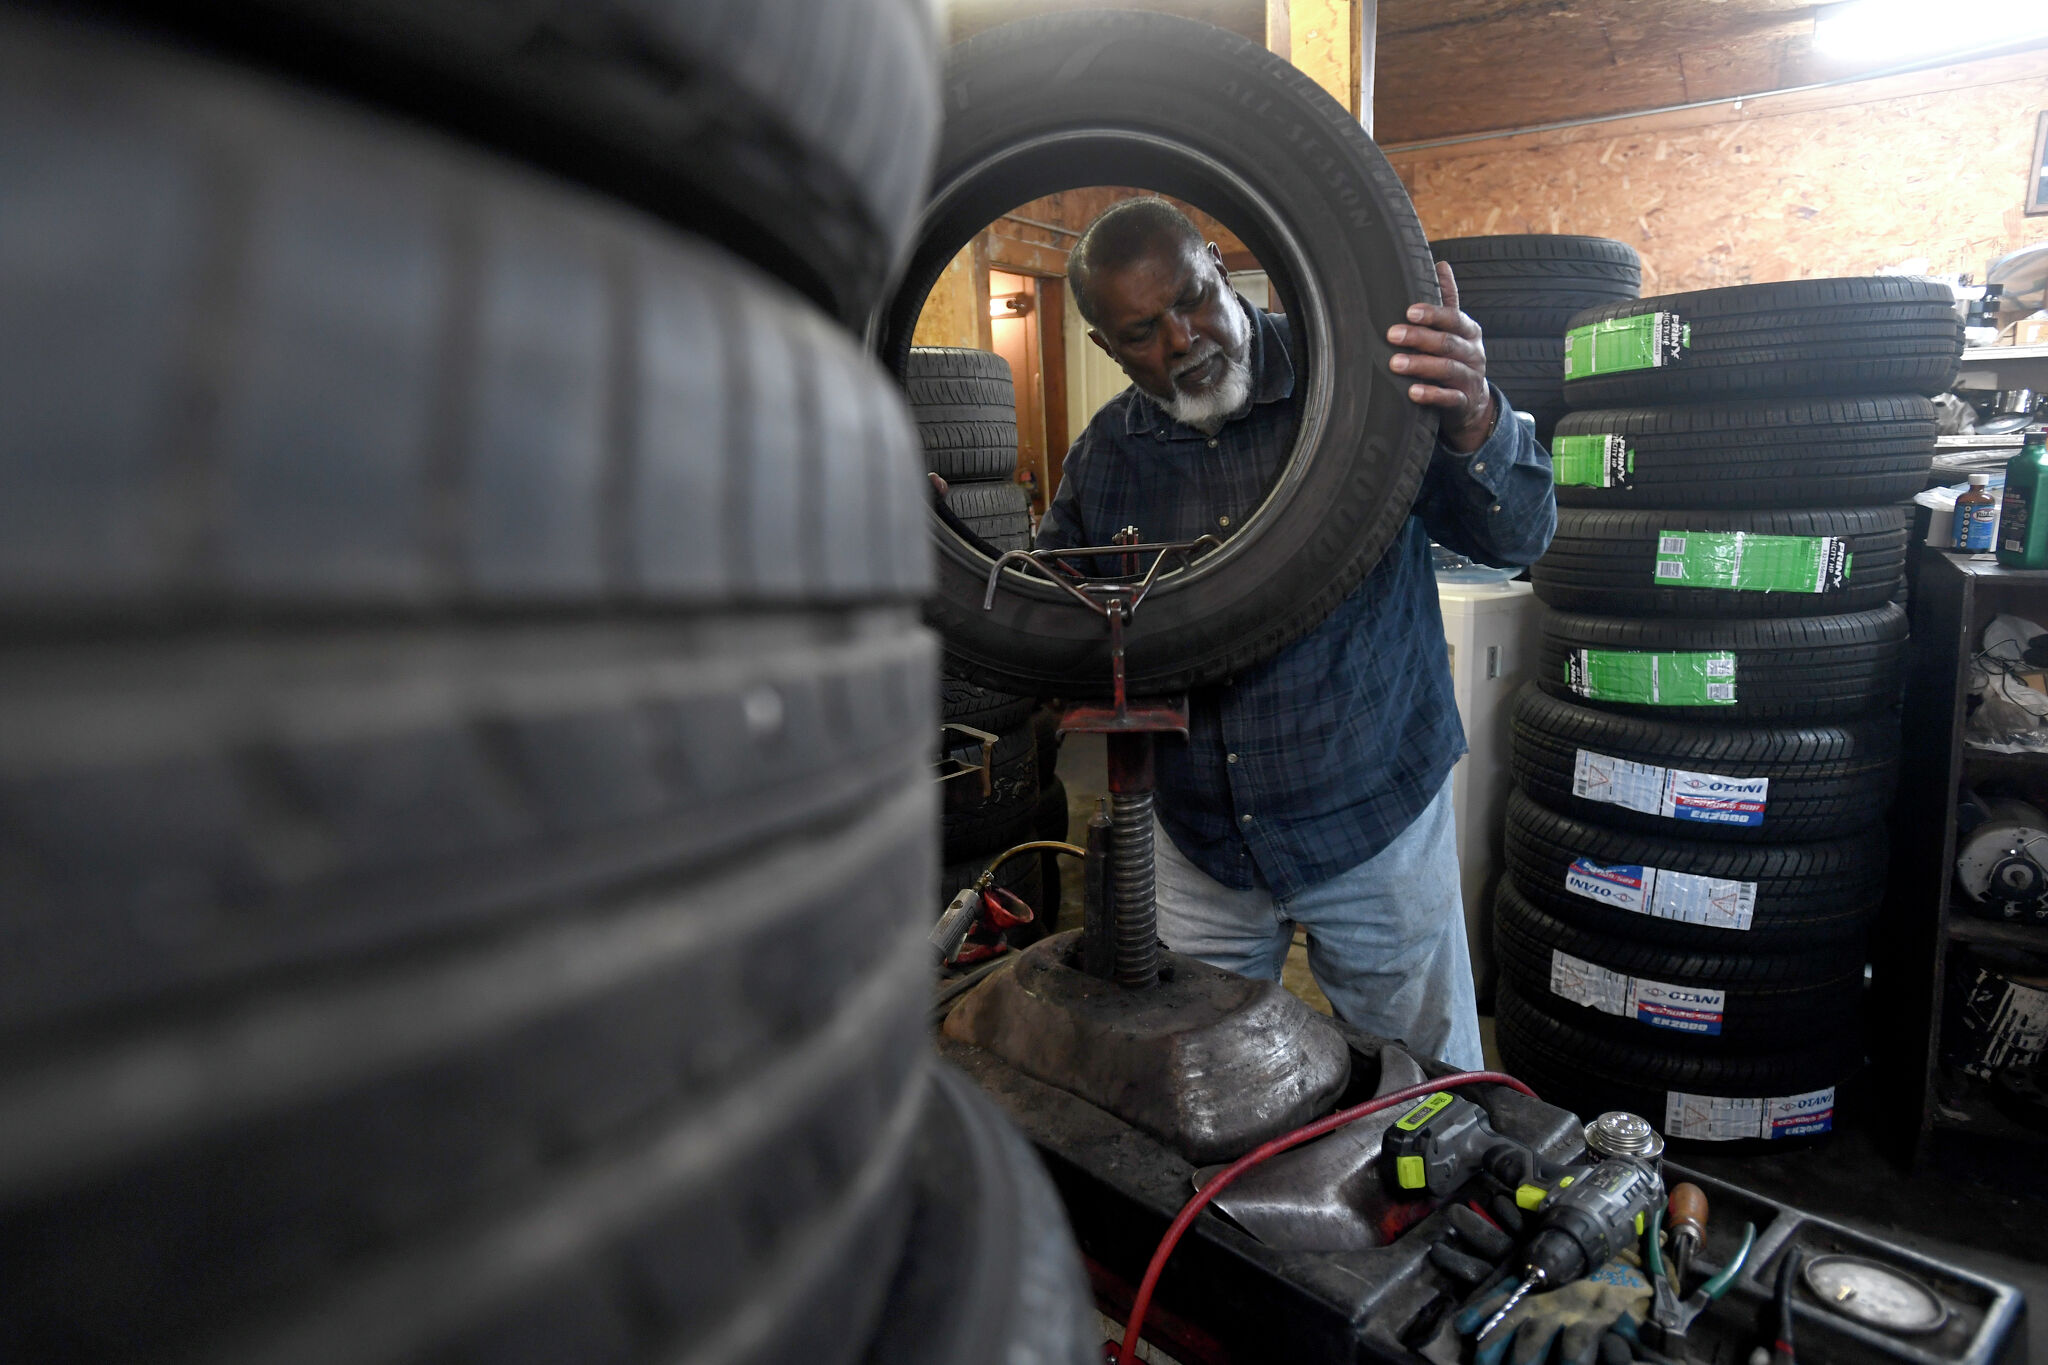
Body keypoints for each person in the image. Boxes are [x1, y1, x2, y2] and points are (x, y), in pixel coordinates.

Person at [1038, 197, 1555, 1070]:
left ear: (1217, 260)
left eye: (1192, 297)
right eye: (1139, 333)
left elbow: (1519, 535)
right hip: (1199, 842)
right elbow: (1047, 614)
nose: (1181, 339)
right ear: (1105, 349)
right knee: (1199, 1097)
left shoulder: (1362, 382)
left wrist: (1474, 415)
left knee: (1430, 1100)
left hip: (1370, 819)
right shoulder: (1105, 457)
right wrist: (943, 567)